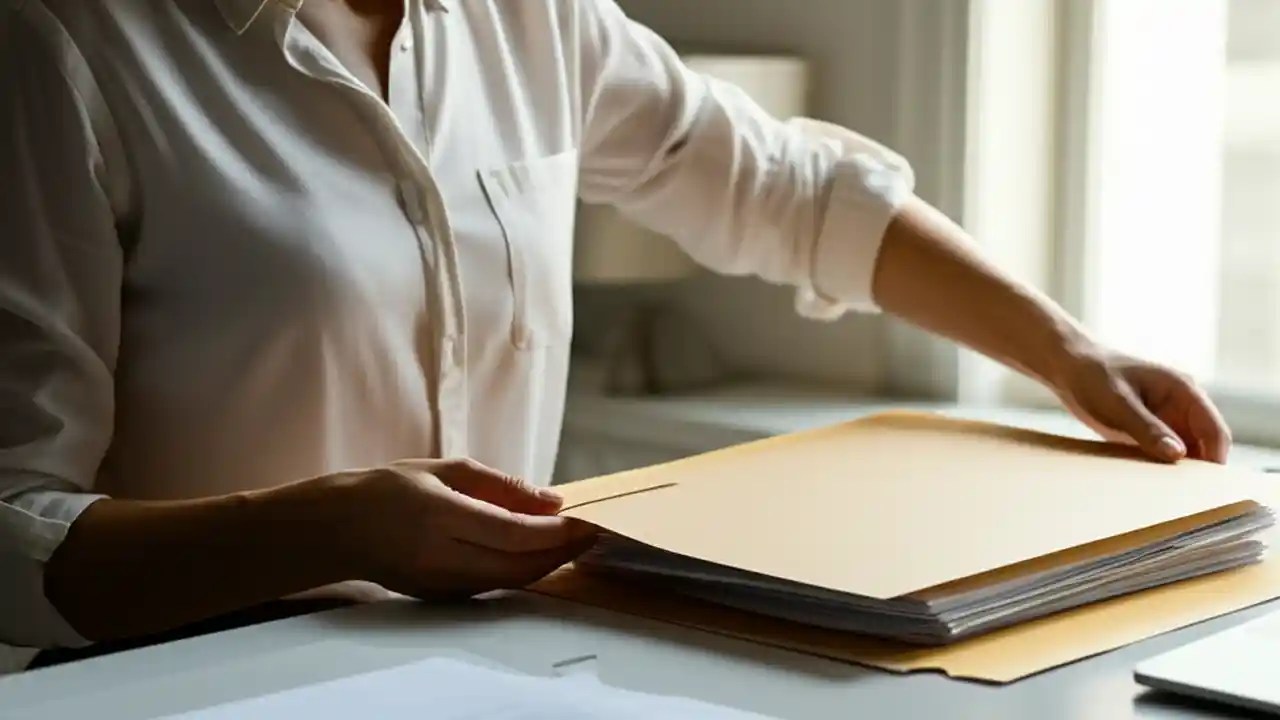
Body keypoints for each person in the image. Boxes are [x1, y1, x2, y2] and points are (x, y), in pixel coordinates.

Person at [0, 0, 1230, 670]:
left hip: (490, 675)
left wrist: (1065, 351)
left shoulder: (531, 18)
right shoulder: (62, 44)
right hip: (183, 690)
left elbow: (788, 190)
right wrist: (333, 524)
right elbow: (15, 533)